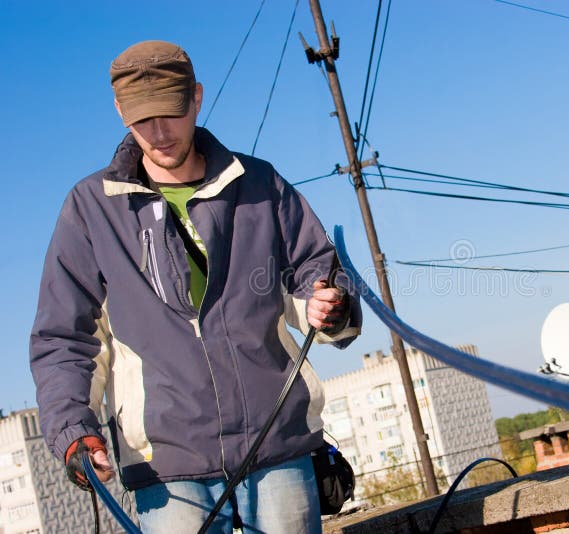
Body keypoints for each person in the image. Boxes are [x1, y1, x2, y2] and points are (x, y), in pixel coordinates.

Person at [30, 40, 361, 533]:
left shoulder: (260, 184)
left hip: (277, 448)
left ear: (197, 98)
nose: (160, 133)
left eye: (171, 112)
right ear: (120, 111)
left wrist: (327, 302)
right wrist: (75, 431)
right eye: (143, 119)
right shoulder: (89, 209)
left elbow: (318, 273)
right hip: (166, 470)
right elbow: (65, 339)